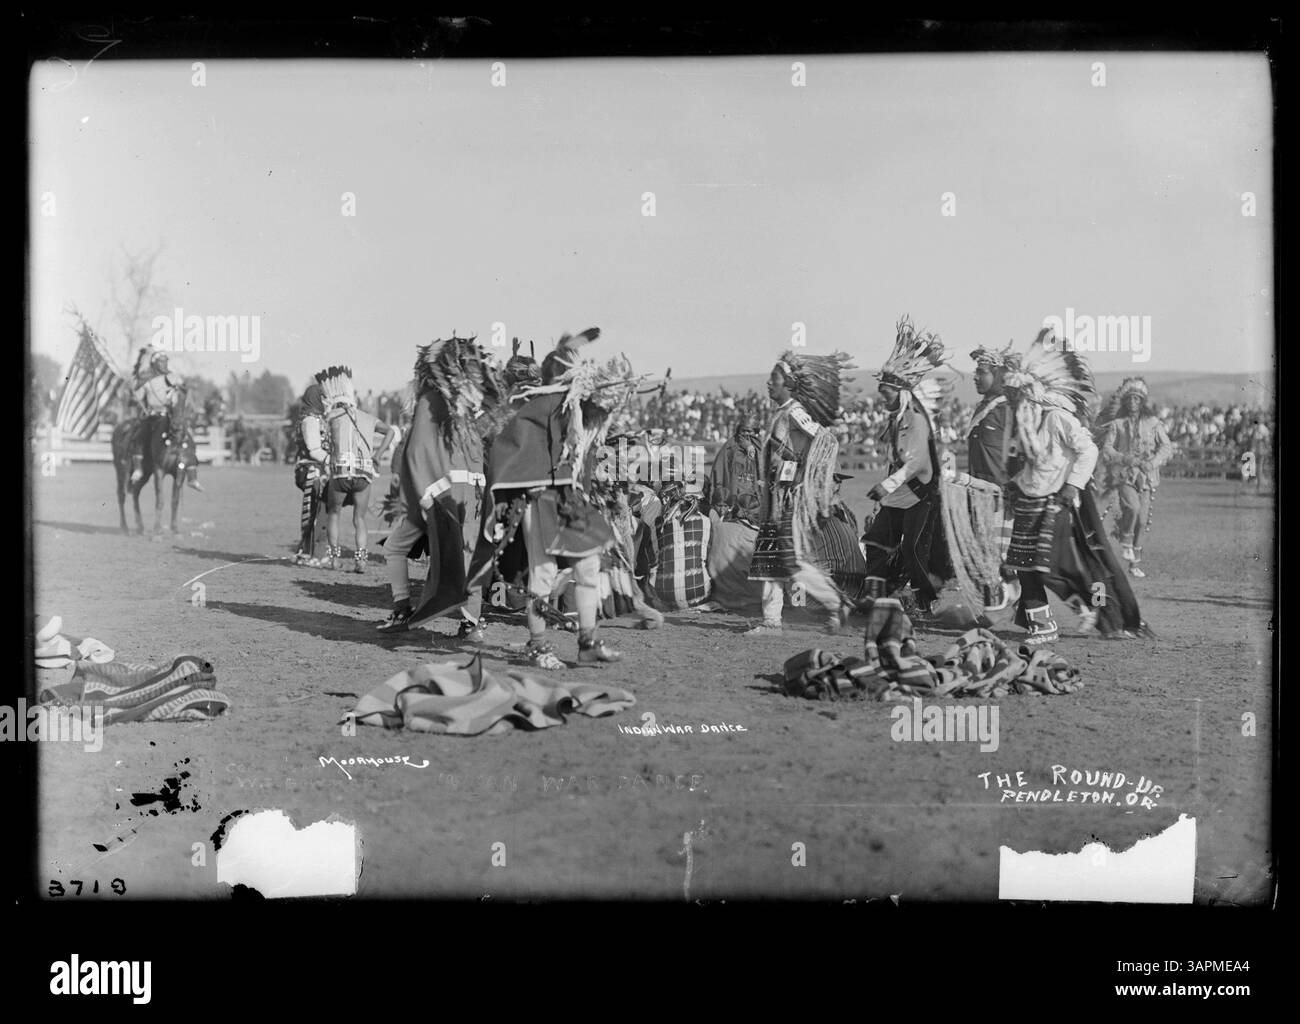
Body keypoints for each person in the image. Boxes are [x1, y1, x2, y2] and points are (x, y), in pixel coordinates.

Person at [463, 328, 634, 669]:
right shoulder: (546, 402)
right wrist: (570, 346)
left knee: (588, 566)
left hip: (568, 497)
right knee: (542, 572)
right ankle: (538, 646)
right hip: (539, 496)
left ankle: (587, 642)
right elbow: (553, 364)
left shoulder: (581, 414)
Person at [1001, 329, 1152, 645]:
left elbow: (1089, 450)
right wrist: (1014, 486)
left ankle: (1100, 613)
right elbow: (1033, 466)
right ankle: (1043, 627)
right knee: (1024, 568)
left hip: (1057, 502)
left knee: (1053, 568)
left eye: (1015, 394)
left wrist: (1071, 486)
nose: (1011, 399)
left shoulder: (1057, 418)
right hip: (1030, 503)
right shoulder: (1022, 423)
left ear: (1029, 392)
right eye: (1009, 395)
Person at [377, 337, 506, 638]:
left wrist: (423, 494)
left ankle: (400, 609)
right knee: (468, 554)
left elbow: (417, 450)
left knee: (396, 547)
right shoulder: (474, 402)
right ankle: (472, 624)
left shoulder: (430, 399)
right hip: (473, 492)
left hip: (439, 492)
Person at [746, 349, 855, 635]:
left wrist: (804, 478)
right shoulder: (782, 413)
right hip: (775, 497)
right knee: (770, 559)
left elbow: (825, 440)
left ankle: (836, 603)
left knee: (794, 561)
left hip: (788, 499)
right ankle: (771, 621)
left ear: (790, 383)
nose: (769, 383)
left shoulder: (795, 412)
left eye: (775, 378)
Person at [860, 316, 953, 621]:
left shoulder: (915, 418)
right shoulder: (897, 418)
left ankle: (924, 606)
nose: (881, 395)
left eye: (885, 390)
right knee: (875, 541)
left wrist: (886, 486)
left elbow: (915, 462)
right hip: (897, 495)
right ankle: (874, 598)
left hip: (919, 495)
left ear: (900, 390)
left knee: (914, 553)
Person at [304, 366, 394, 572]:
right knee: (359, 518)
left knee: (334, 513)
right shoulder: (367, 417)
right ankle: (361, 560)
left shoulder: (332, 417)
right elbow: (390, 431)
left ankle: (334, 559)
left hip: (341, 472)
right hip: (364, 473)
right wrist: (378, 456)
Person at [963, 342, 1021, 610]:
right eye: (976, 371)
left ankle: (1004, 604)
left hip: (1000, 492)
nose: (975, 376)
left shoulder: (1008, 408)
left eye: (982, 372)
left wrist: (1013, 485)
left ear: (997, 375)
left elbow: (1020, 449)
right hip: (979, 491)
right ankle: (998, 605)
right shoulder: (983, 407)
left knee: (997, 553)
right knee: (985, 551)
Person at [1097, 377, 1173, 578]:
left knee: (1141, 520)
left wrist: (1153, 462)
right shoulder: (1118, 424)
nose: (1132, 403)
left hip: (1146, 477)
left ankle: (1134, 563)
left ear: (1142, 402)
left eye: (1136, 400)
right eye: (1129, 400)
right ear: (1125, 402)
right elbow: (1107, 449)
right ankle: (1125, 539)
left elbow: (1166, 447)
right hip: (1124, 475)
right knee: (1133, 507)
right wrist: (1123, 458)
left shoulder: (1153, 423)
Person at [127, 349, 183, 484]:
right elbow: (138, 398)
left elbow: (182, 394)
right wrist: (134, 396)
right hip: (152, 417)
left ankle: (186, 463)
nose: (164, 364)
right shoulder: (146, 379)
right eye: (161, 362)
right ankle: (138, 469)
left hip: (170, 416)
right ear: (155, 363)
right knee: (139, 436)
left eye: (166, 361)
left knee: (183, 433)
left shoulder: (174, 378)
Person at [292, 376, 329, 566]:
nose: (326, 401)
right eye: (323, 398)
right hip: (311, 469)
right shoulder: (310, 421)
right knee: (313, 510)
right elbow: (314, 449)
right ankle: (309, 552)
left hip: (316, 468)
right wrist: (332, 460)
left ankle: (311, 550)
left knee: (317, 510)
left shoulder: (317, 419)